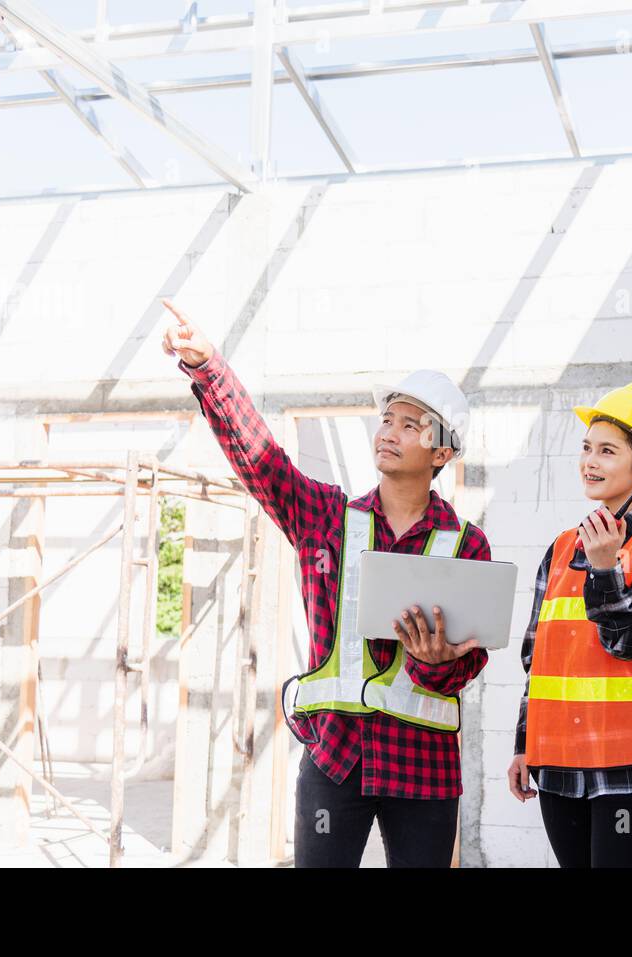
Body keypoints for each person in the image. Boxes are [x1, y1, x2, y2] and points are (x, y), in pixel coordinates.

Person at [161, 298, 492, 868]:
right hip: (335, 759)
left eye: (410, 424)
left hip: (425, 772)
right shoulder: (327, 519)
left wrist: (438, 661)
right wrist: (209, 368)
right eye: (387, 419)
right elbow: (260, 460)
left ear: (441, 450)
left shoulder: (466, 546)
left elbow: (469, 661)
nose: (389, 432)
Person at [506, 382, 632, 868]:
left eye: (608, 451)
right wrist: (524, 744)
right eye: (587, 447)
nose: (590, 460)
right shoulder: (561, 547)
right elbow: (538, 658)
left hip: (627, 768)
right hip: (557, 762)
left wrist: (607, 569)